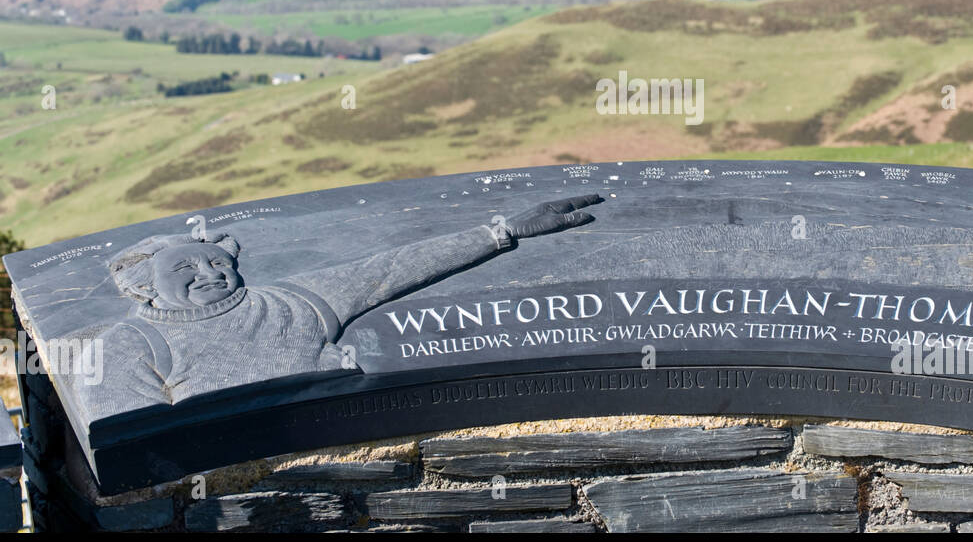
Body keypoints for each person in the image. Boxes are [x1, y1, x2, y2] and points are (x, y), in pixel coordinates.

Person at [86, 195, 602, 415]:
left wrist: (503, 231)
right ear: (144, 288)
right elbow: (131, 445)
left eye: (215, 262)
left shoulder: (290, 301)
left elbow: (391, 267)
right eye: (184, 270)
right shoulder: (132, 344)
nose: (209, 274)